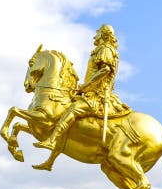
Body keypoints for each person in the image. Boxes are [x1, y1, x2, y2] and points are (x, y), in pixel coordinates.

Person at [32, 24, 130, 171]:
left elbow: (105, 69)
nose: (94, 36)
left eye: (97, 33)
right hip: (92, 92)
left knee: (71, 112)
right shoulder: (102, 50)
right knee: (66, 118)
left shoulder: (105, 49)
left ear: (103, 35)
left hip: (97, 96)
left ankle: (52, 140)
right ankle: (50, 162)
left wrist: (87, 85)